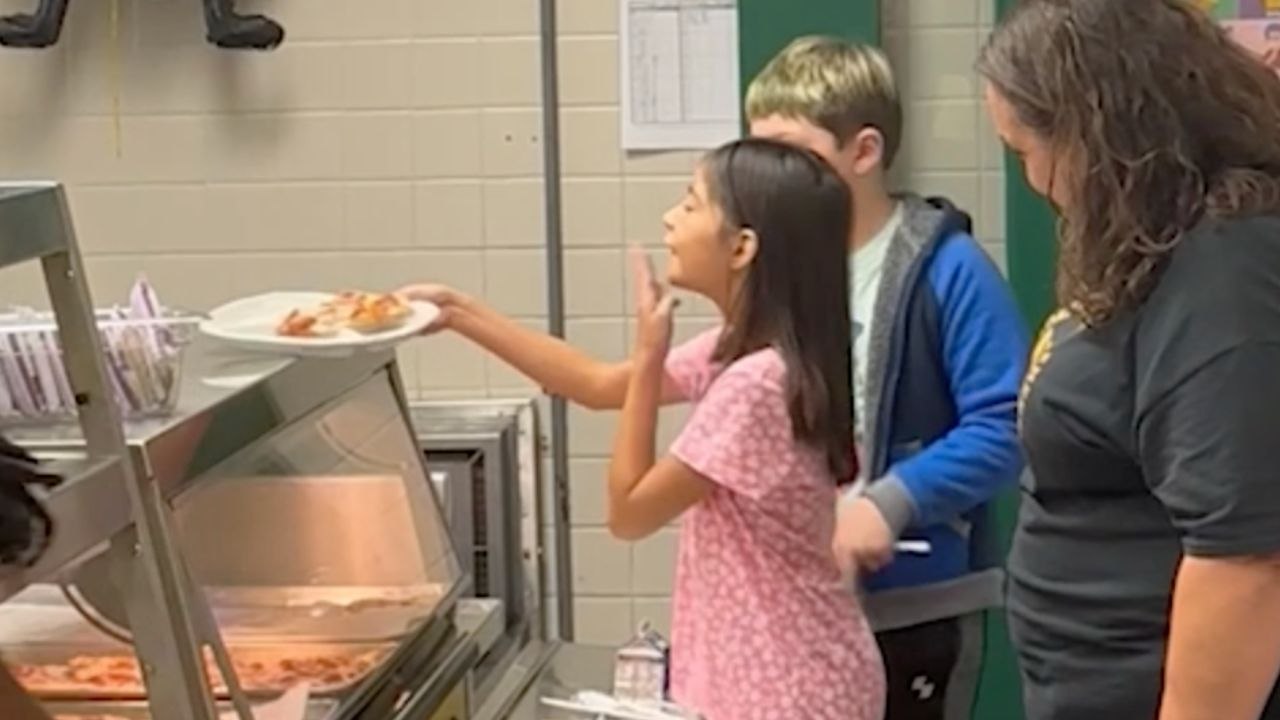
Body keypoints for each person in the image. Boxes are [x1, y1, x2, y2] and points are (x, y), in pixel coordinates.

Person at [408, 138, 885, 719]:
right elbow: (598, 384)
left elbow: (629, 511)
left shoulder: (756, 384)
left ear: (741, 247)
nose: (669, 217)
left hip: (786, 689)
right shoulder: (745, 352)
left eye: (691, 203)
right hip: (785, 675)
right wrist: (458, 312)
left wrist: (651, 346)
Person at [977, 1, 1280, 718]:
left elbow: (1247, 556)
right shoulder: (1158, 248)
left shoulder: (1225, 266)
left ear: (1098, 134)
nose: (1037, 184)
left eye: (1027, 151)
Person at [744, 36, 1026, 720]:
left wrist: (891, 500)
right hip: (800, 603)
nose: (774, 180)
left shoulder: (950, 270)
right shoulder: (776, 275)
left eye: (796, 156)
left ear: (864, 153)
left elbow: (1007, 424)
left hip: (915, 610)